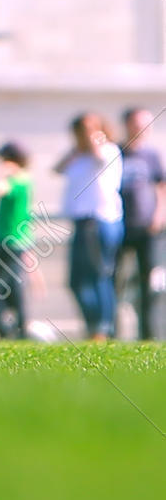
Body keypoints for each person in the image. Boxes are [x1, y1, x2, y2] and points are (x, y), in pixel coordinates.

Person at [54, 113, 124, 342]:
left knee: (98, 276)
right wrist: (77, 147)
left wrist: (93, 135)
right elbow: (58, 168)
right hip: (81, 223)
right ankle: (93, 326)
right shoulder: (79, 157)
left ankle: (102, 329)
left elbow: (99, 155)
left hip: (99, 221)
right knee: (76, 280)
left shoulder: (107, 150)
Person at [116, 106, 165, 340]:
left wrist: (159, 215)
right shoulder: (115, 152)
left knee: (149, 284)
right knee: (115, 280)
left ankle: (148, 334)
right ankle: (112, 332)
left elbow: (161, 186)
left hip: (147, 228)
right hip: (119, 226)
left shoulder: (151, 155)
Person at [0, 142, 34, 340]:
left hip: (11, 241)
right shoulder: (24, 179)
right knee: (13, 287)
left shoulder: (17, 180)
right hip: (14, 240)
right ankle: (20, 329)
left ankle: (4, 329)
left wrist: (1, 172)